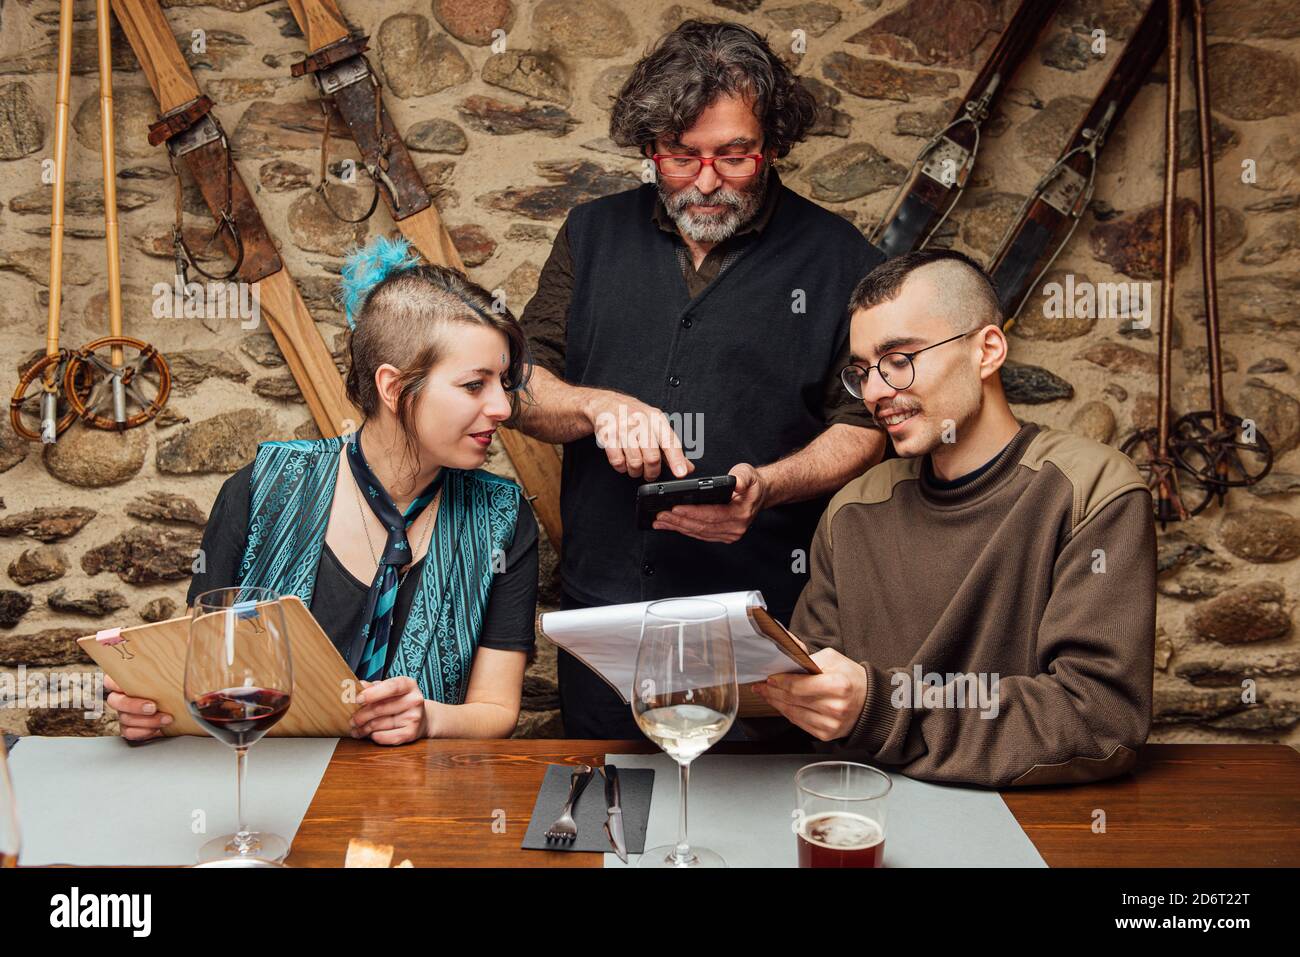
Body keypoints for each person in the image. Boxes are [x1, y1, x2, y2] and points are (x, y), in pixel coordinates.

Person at [514, 20, 887, 738]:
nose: (707, 180)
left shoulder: (840, 258)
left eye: (734, 156)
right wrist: (595, 407)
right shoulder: (590, 236)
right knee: (612, 831)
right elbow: (522, 381)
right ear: (651, 147)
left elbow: (866, 424)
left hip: (763, 636)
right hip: (608, 632)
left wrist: (769, 485)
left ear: (773, 144)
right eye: (681, 158)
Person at [106, 237, 540, 745]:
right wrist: (151, 711)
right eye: (474, 385)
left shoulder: (502, 517)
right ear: (394, 387)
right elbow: (199, 676)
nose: (503, 408)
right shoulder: (259, 490)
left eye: (502, 382)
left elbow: (496, 710)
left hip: (415, 799)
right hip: (266, 793)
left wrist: (430, 719)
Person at [754, 249, 1157, 788]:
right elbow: (814, 702)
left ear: (986, 351)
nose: (874, 393)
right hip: (863, 815)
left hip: (1027, 829)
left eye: (899, 360)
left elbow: (1099, 719)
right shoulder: (853, 509)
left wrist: (879, 709)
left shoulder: (1092, 491)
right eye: (861, 372)